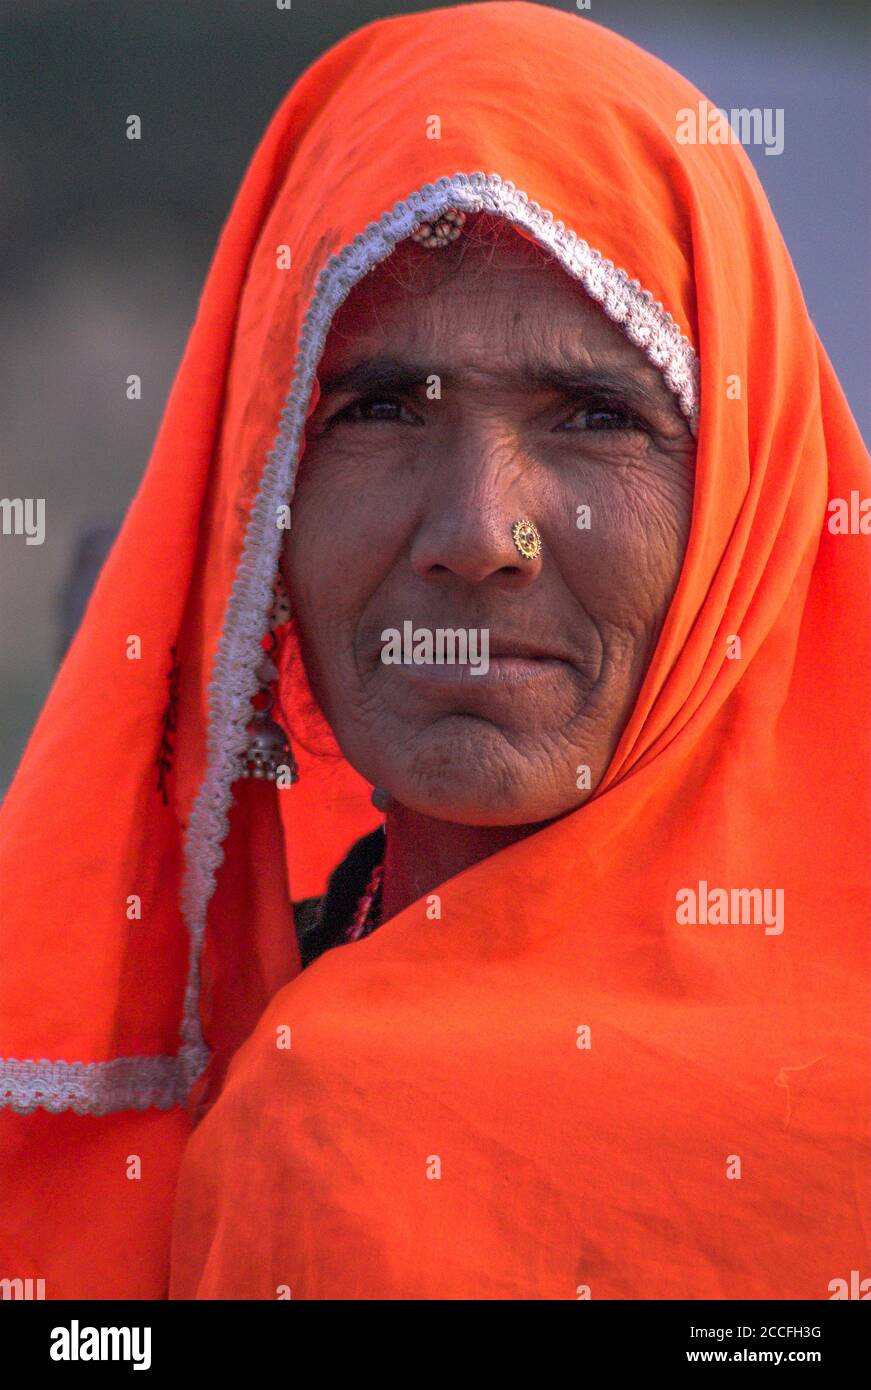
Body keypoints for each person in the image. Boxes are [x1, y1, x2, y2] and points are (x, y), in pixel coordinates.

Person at [1, 2, 868, 1301]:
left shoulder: (324, 1116)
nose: (478, 534)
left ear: (745, 498)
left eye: (594, 412)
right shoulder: (267, 995)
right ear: (258, 497)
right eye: (381, 407)